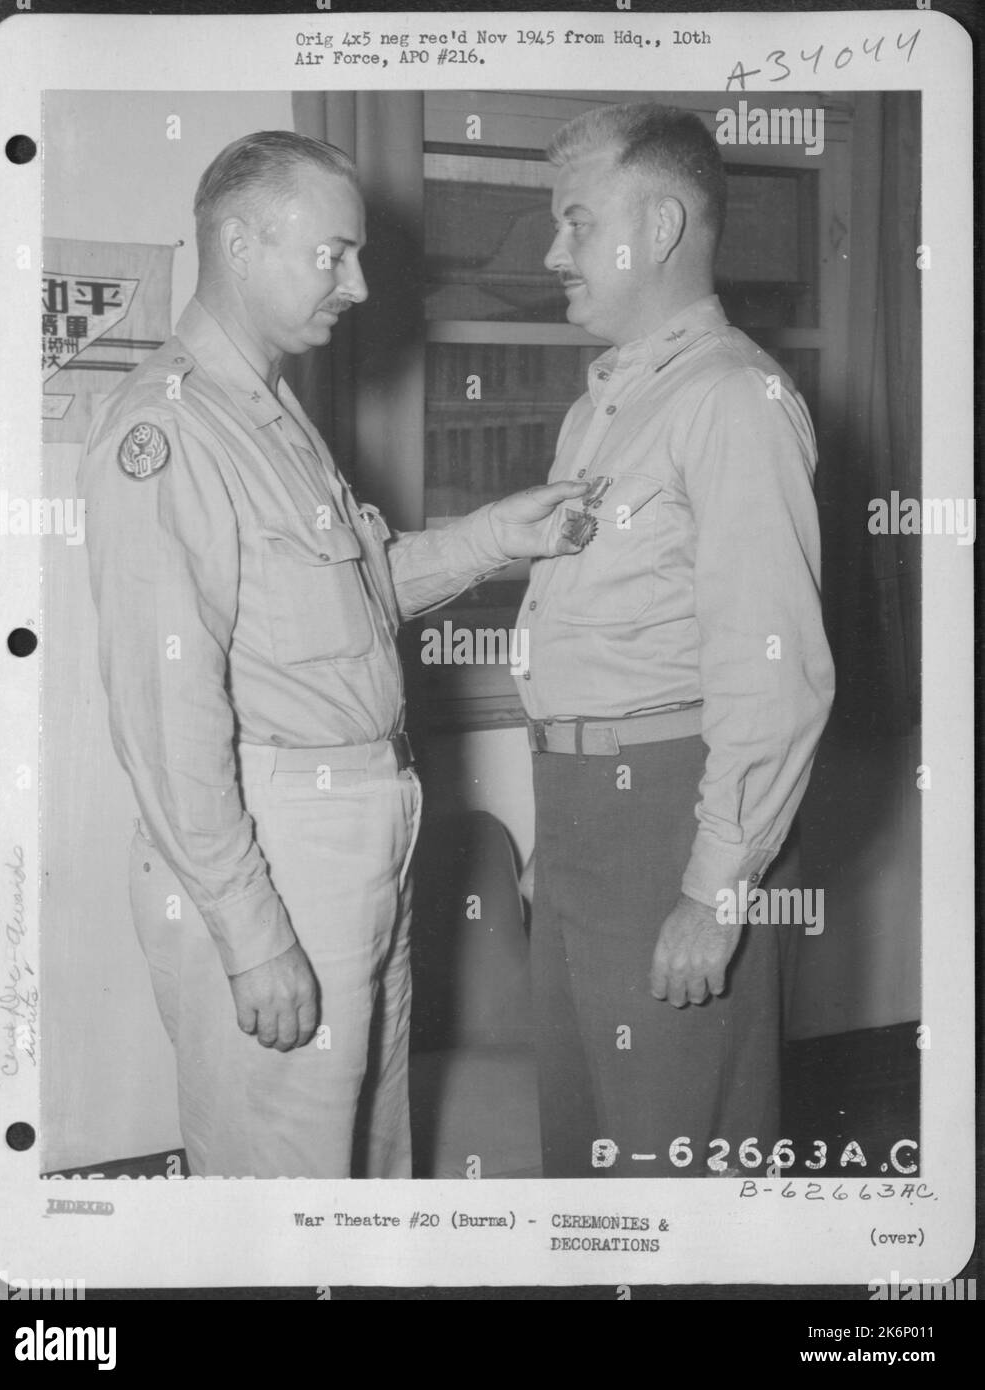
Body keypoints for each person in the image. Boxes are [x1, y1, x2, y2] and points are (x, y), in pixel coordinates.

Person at [78, 130, 586, 1180]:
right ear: (238, 241)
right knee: (282, 1178)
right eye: (333, 254)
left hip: (356, 834)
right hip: (276, 847)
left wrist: (502, 532)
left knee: (369, 1160)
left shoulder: (272, 416)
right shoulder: (171, 432)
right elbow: (167, 716)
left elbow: (355, 596)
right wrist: (251, 931)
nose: (356, 284)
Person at [516, 104, 836, 1177]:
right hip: (584, 823)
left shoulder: (731, 401)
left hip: (676, 819)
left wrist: (714, 889)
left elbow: (773, 669)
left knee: (677, 1165)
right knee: (585, 1160)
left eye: (574, 221)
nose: (554, 251)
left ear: (658, 227)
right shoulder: (610, 401)